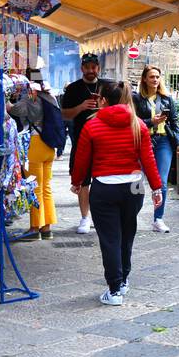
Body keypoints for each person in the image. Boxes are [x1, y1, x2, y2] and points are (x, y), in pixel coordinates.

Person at [69, 81, 163, 306]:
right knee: (128, 232)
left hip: (105, 186)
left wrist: (77, 182)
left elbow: (82, 160)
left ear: (103, 100)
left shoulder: (92, 126)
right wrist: (157, 188)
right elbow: (148, 158)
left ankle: (114, 290)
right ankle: (124, 280)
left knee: (110, 239)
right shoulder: (138, 124)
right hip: (135, 185)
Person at [8, 82, 65, 240]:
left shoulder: (30, 98)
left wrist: (5, 99)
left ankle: (34, 228)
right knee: (46, 187)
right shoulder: (50, 96)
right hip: (49, 146)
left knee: (34, 188)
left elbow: (13, 110)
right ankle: (46, 228)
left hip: (35, 144)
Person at [132, 65, 179, 233]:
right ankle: (130, 215)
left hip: (163, 143)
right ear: (144, 79)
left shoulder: (167, 99)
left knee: (161, 182)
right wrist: (150, 122)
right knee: (136, 181)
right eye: (152, 76)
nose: (155, 79)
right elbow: (133, 122)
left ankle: (158, 219)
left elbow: (175, 122)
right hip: (143, 142)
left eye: (157, 77)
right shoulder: (136, 99)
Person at [60, 53, 104, 234]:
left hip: (103, 140)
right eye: (87, 67)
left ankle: (100, 216)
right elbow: (64, 114)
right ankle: (85, 218)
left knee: (102, 180)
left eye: (94, 67)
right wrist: (81, 107)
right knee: (83, 180)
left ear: (98, 68)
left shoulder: (106, 86)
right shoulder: (72, 89)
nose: (91, 70)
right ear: (82, 69)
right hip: (81, 140)